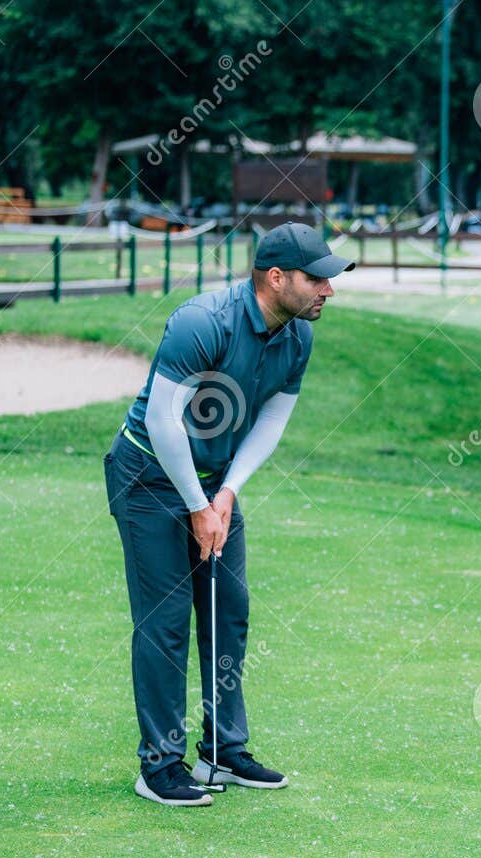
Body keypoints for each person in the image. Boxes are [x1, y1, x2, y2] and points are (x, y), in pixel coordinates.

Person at [104, 222, 353, 806]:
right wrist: (196, 505)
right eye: (317, 279)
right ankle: (160, 765)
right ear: (276, 278)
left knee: (227, 612)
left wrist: (227, 493)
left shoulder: (297, 337)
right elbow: (165, 422)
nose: (328, 290)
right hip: (147, 476)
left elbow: (271, 421)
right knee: (166, 622)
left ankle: (222, 749)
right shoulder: (202, 322)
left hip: (212, 484)